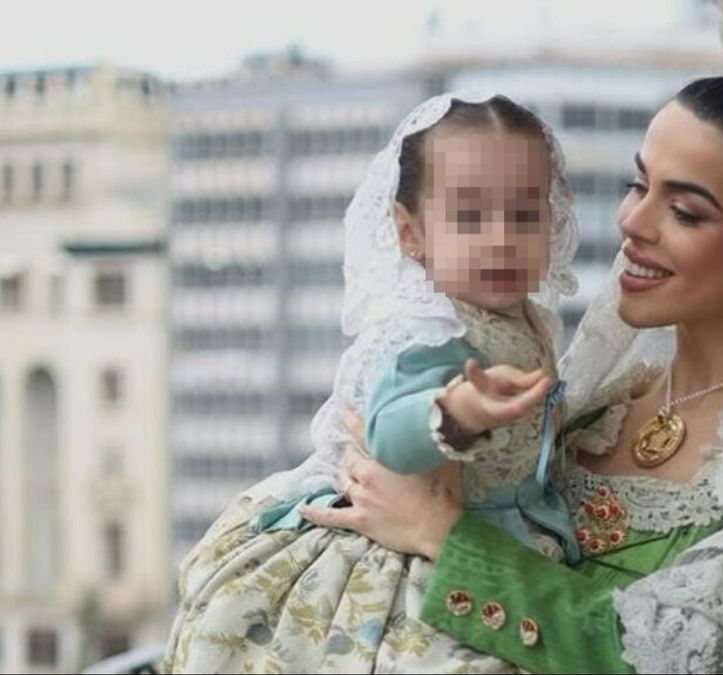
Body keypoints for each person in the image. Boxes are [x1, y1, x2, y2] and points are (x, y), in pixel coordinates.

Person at [305, 54, 723, 673]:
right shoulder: (595, 407)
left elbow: (691, 661)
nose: (632, 222)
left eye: (685, 210)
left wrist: (443, 539)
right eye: (638, 184)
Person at [162, 92, 582, 673]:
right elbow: (390, 427)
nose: (501, 238)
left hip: (493, 543)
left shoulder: (526, 319)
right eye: (469, 217)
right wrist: (457, 412)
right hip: (403, 555)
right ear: (410, 233)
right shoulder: (424, 325)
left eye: (524, 214)